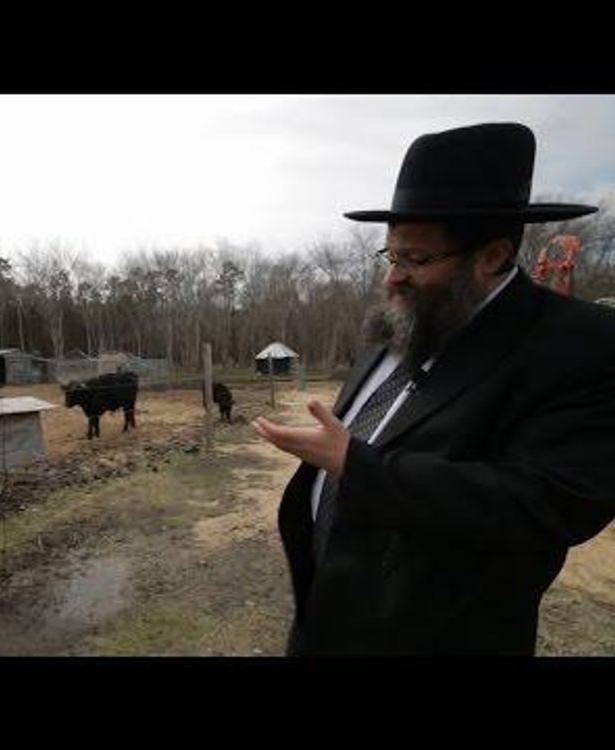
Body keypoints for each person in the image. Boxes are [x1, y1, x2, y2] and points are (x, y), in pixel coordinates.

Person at [252, 122, 615, 655]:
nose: (391, 278)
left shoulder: (579, 344)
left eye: (414, 259)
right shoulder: (405, 318)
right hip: (325, 626)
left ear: (491, 256)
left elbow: (542, 507)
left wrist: (358, 465)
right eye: (390, 256)